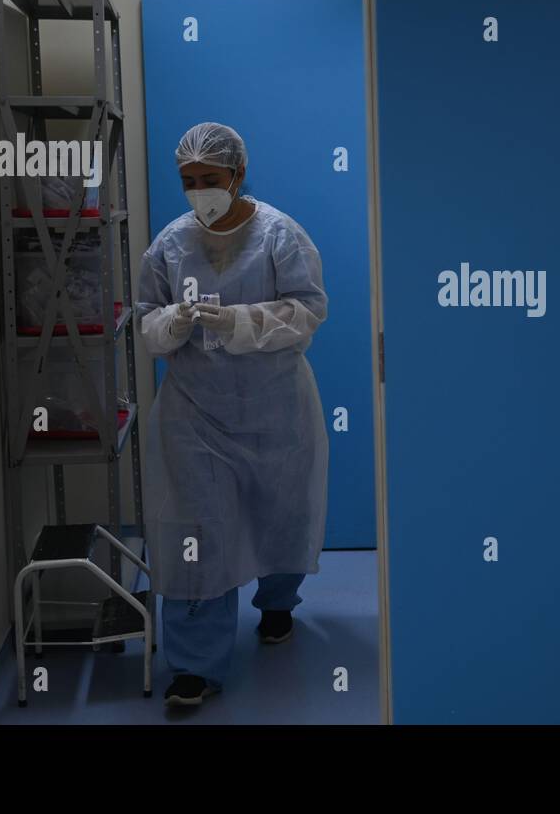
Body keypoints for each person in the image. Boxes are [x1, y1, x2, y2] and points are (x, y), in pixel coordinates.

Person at [136, 122, 329, 707]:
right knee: (198, 532)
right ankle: (194, 664)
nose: (199, 192)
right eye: (188, 181)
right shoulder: (169, 244)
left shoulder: (280, 236)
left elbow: (308, 311)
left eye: (210, 179)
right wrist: (170, 323)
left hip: (275, 407)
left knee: (281, 511)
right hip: (195, 411)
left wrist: (239, 322)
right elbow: (145, 318)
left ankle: (276, 604)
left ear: (237, 175)